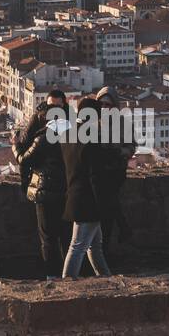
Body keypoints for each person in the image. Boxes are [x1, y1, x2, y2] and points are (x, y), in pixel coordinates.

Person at [16, 99, 70, 280]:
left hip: (45, 192)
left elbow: (24, 159)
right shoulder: (71, 134)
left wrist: (15, 146)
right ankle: (69, 273)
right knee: (66, 235)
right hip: (66, 191)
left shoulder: (44, 137)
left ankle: (52, 275)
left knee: (48, 237)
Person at [59, 95, 112, 279]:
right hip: (89, 201)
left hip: (74, 195)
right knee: (78, 246)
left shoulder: (67, 135)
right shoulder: (91, 139)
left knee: (94, 245)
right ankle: (67, 283)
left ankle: (106, 278)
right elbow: (95, 176)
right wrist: (103, 204)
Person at [94, 85, 135, 252]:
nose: (104, 108)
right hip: (97, 173)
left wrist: (117, 151)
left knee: (108, 213)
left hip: (115, 172)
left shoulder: (123, 124)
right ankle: (123, 228)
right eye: (101, 104)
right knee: (107, 208)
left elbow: (131, 147)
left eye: (107, 105)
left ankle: (106, 249)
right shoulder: (92, 123)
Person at [12, 88, 68, 196]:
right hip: (40, 178)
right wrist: (25, 182)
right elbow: (25, 148)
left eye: (58, 107)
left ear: (64, 106)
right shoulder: (37, 119)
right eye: (51, 106)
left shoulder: (70, 121)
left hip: (63, 182)